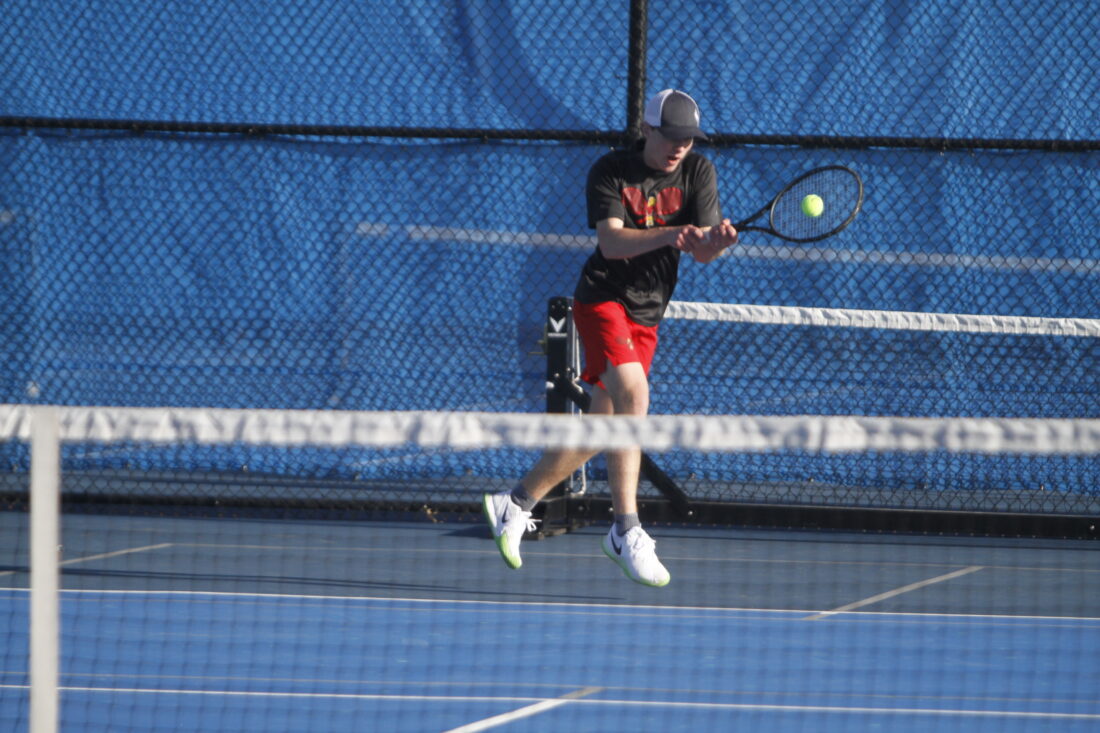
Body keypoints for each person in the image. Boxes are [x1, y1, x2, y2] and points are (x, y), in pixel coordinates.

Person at [482, 89, 738, 587]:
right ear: (647, 130)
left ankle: (513, 503)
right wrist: (671, 233)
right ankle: (625, 530)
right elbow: (611, 241)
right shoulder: (611, 170)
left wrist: (717, 243)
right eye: (672, 137)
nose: (680, 147)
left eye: (688, 139)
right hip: (602, 299)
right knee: (635, 396)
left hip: (648, 313)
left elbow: (703, 250)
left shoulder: (698, 172)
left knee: (604, 430)